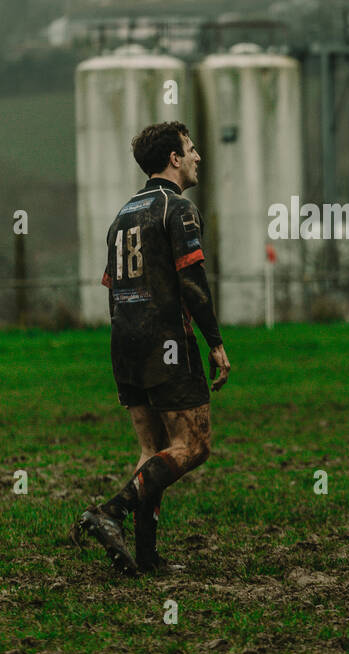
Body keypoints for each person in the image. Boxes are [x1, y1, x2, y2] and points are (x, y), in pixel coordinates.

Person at [71, 121, 231, 575]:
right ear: (174, 159)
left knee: (152, 449)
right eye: (191, 149)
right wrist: (214, 342)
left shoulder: (122, 215)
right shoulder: (176, 208)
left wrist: (127, 337)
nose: (199, 156)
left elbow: (111, 286)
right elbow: (193, 282)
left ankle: (143, 557)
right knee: (194, 445)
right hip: (166, 343)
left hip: (124, 341)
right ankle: (109, 512)